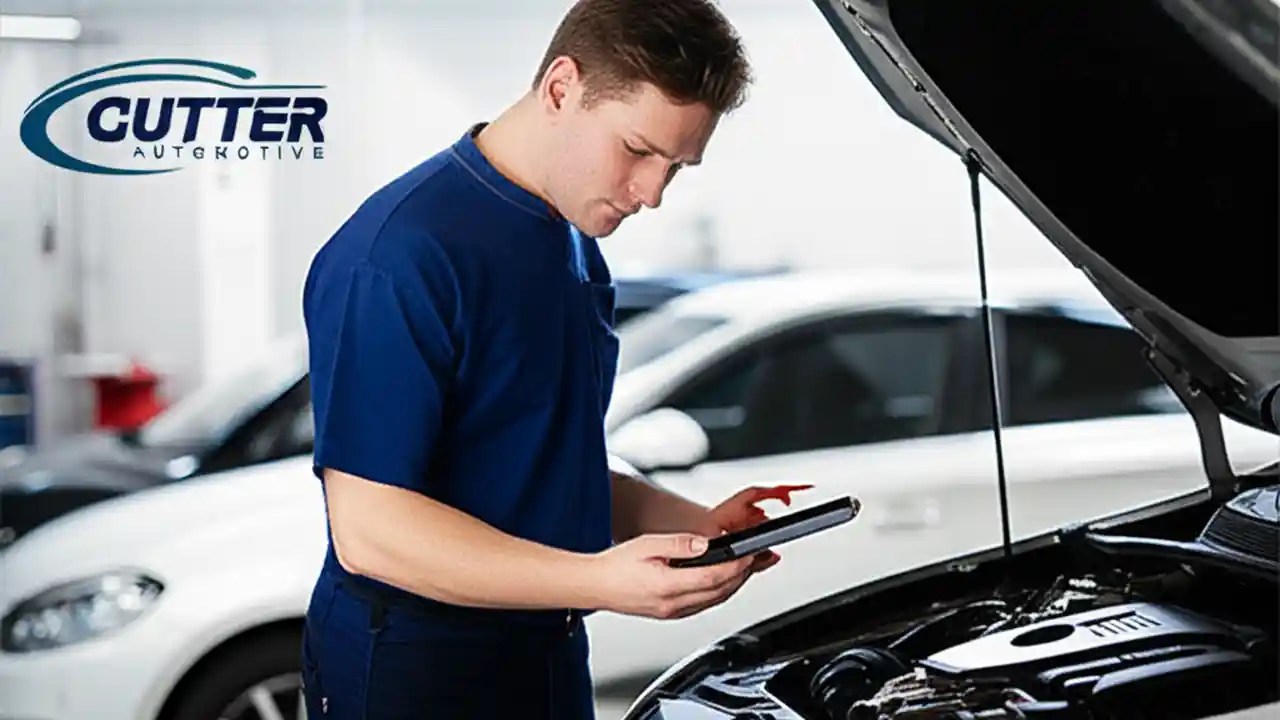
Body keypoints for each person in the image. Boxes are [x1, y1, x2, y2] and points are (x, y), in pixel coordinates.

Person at [299, 1, 806, 717]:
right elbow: (371, 532)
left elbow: (540, 463)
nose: (653, 195)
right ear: (561, 88)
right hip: (417, 673)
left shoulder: (574, 247)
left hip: (549, 655)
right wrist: (599, 581)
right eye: (636, 149)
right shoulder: (397, 257)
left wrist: (695, 524)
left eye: (676, 167)